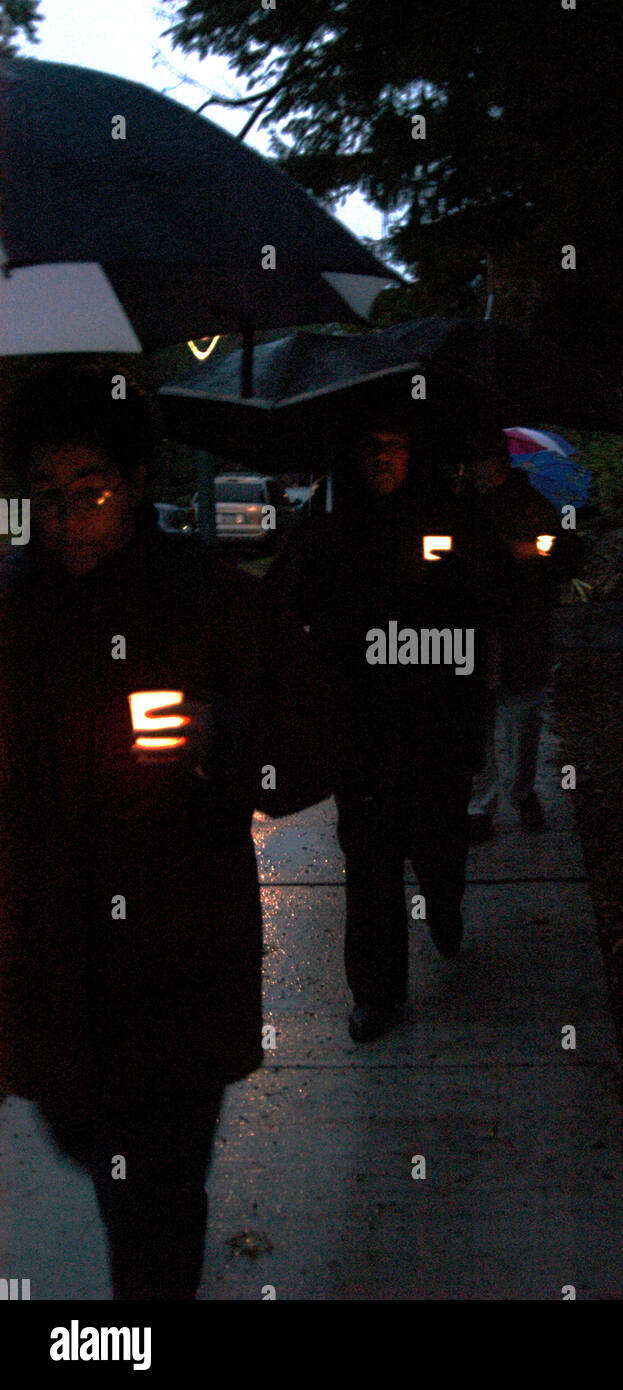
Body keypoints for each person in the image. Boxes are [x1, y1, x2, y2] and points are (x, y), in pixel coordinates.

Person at [0, 364, 333, 1300]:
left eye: (90, 492)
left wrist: (221, 735)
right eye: (45, 496)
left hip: (177, 967)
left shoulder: (218, 604)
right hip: (52, 968)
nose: (66, 521)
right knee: (92, 1150)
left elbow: (309, 759)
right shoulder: (13, 612)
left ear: (140, 480)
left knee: (154, 1195)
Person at [271, 406, 494, 1044]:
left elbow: (481, 614)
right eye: (371, 446)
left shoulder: (449, 515)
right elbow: (288, 599)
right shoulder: (330, 519)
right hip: (361, 725)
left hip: (434, 723)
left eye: (395, 444)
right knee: (368, 859)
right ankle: (374, 990)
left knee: (437, 837)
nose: (383, 459)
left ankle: (444, 901)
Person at [467, 427, 579, 842]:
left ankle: (522, 791)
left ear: (500, 462)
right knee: (478, 720)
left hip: (522, 626)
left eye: (485, 459)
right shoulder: (464, 509)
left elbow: (567, 555)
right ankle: (481, 803)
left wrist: (535, 552)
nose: (479, 468)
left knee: (523, 717)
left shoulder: (535, 505)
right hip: (477, 626)